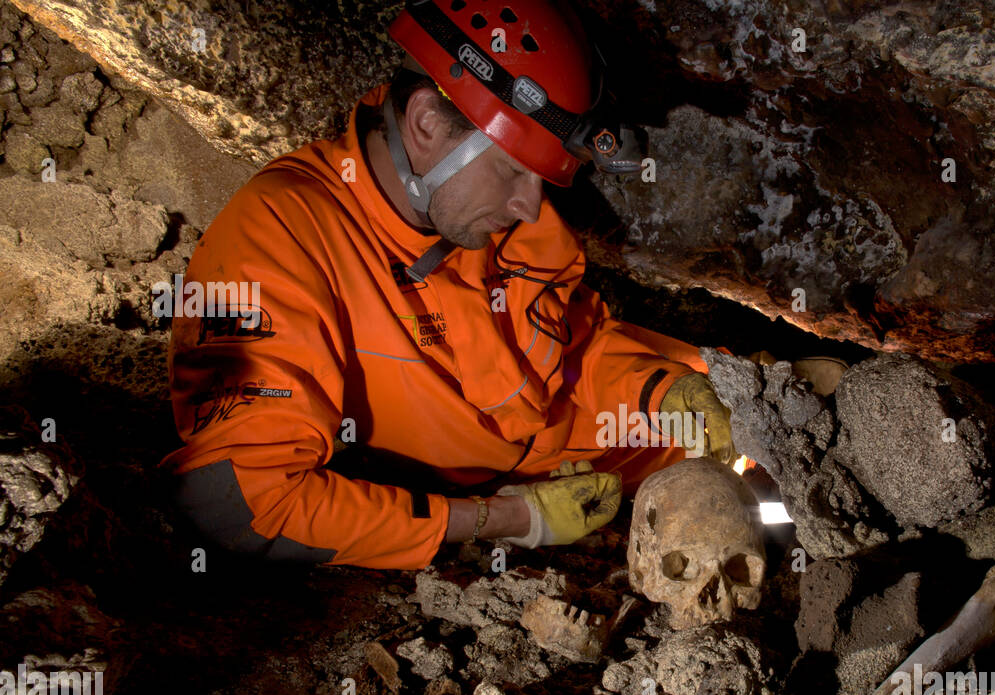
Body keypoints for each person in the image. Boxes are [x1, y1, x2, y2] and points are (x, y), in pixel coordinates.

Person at [158, 0, 735, 570]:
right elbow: (240, 499)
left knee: (753, 403)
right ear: (427, 122)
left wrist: (662, 390)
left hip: (590, 450)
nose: (530, 208)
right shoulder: (281, 234)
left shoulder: (488, 223)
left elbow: (577, 346)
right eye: (513, 168)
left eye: (541, 178)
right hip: (511, 488)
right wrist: (507, 519)